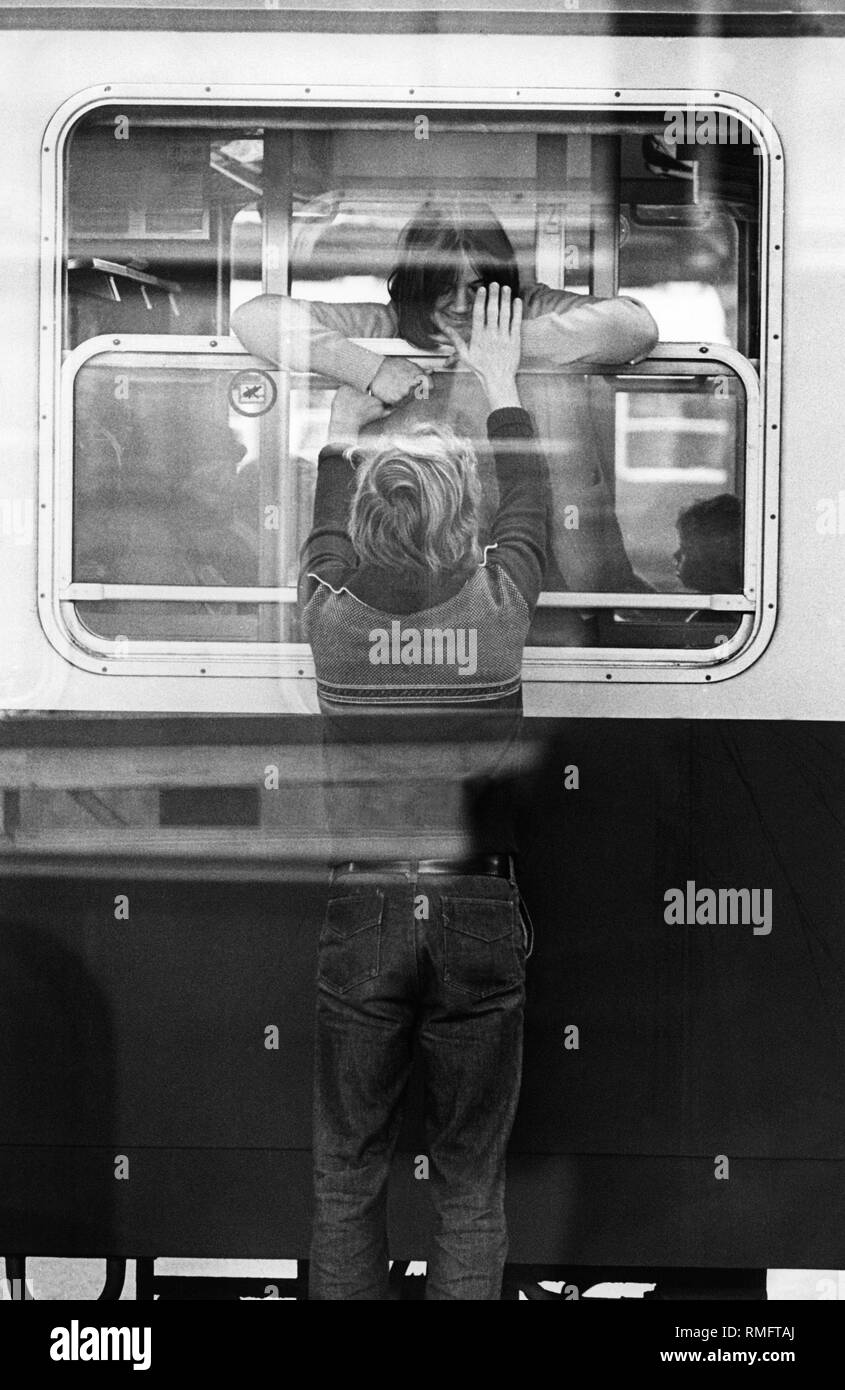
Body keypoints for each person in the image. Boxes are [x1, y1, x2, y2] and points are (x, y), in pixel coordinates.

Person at [301, 284, 546, 1300]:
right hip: (476, 903)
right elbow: (527, 505)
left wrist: (339, 426)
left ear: (363, 524)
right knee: (468, 1177)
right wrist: (499, 389)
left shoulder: (328, 615)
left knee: (346, 1166)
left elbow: (322, 535)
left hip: (362, 901)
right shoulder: (495, 607)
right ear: (464, 525)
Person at [232, 200, 658, 598]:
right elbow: (254, 319)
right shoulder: (387, 328)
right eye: (441, 287)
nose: (458, 305)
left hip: (549, 585)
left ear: (501, 286)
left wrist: (506, 344)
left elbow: (635, 327)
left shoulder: (526, 309)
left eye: (476, 289)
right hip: (414, 597)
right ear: (415, 287)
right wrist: (372, 370)